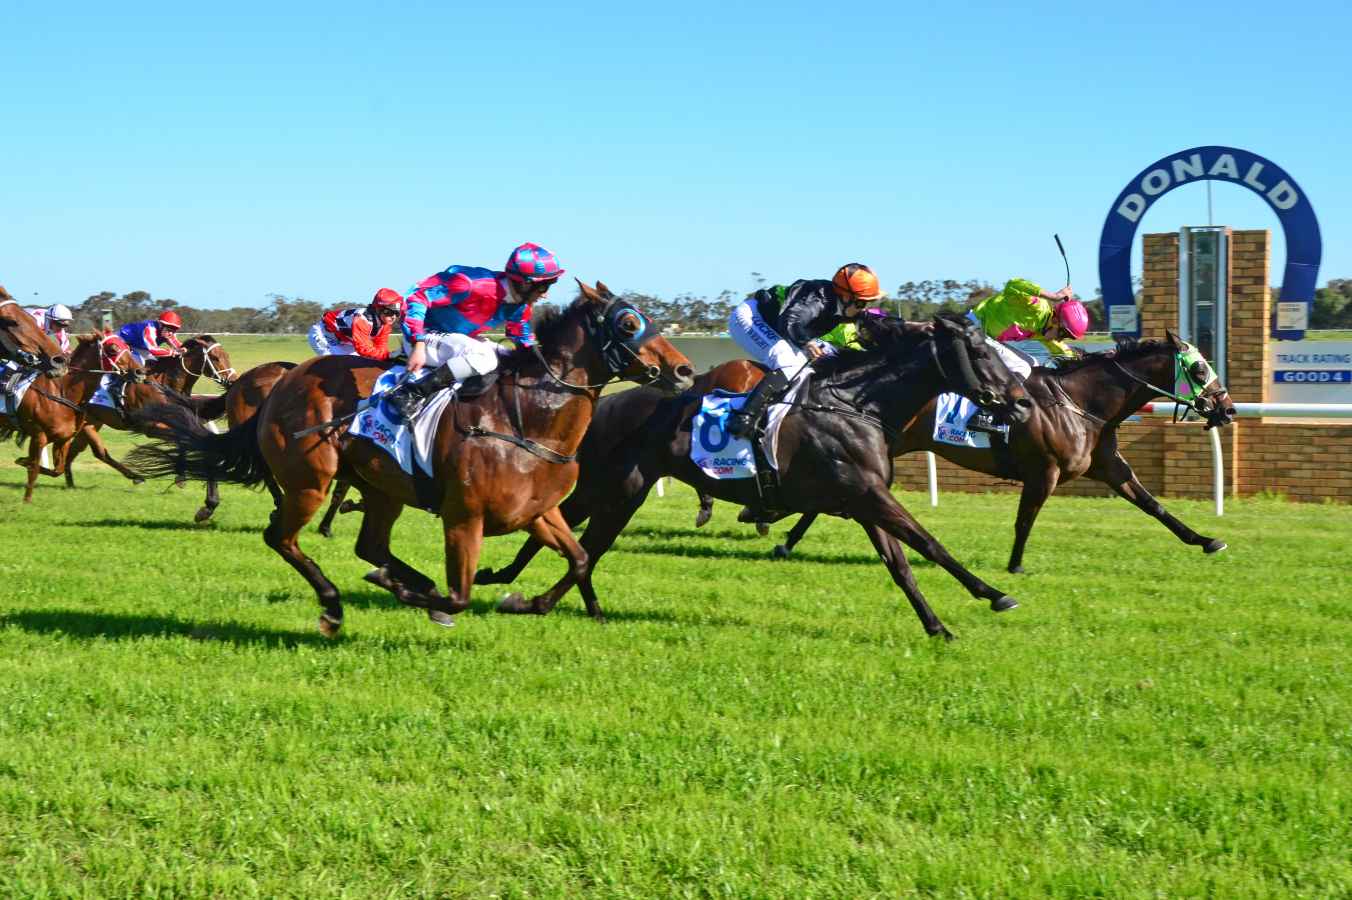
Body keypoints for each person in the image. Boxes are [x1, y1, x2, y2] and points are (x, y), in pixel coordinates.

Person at [385, 242, 564, 419]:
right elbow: (417, 296)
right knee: (484, 357)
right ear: (525, 284)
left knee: (506, 354)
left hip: (455, 341)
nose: (546, 294)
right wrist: (418, 343)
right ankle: (413, 392)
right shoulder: (470, 284)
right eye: (544, 286)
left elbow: (522, 338)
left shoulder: (521, 307)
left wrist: (541, 359)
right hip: (423, 337)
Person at [725, 263, 883, 438]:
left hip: (780, 327)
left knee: (824, 362)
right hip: (751, 319)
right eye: (862, 302)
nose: (865, 307)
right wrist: (806, 342)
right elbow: (790, 321)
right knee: (788, 362)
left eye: (869, 302)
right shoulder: (816, 299)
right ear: (845, 296)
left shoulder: (845, 306)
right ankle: (744, 418)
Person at [965, 277, 1089, 432]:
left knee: (1034, 364)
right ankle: (985, 413)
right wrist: (1053, 296)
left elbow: (1066, 352)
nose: (1061, 338)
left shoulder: (1045, 329)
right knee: (1021, 367)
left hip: (984, 336)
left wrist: (1101, 359)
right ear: (1056, 321)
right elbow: (1013, 284)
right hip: (973, 328)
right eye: (1064, 334)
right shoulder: (1037, 308)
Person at [309, 288, 403, 360]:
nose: (393, 317)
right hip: (324, 335)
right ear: (378, 309)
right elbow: (362, 349)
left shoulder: (385, 324)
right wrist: (388, 355)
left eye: (397, 313)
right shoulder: (361, 320)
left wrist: (387, 357)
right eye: (389, 312)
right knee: (338, 366)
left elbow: (380, 347)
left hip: (345, 341)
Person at [116, 310, 184, 365]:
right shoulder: (150, 329)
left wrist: (185, 348)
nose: (171, 333)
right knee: (139, 364)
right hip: (122, 340)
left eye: (173, 331)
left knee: (153, 363)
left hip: (139, 346)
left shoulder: (168, 332)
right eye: (169, 330)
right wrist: (172, 352)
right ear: (160, 325)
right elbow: (153, 350)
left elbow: (179, 346)